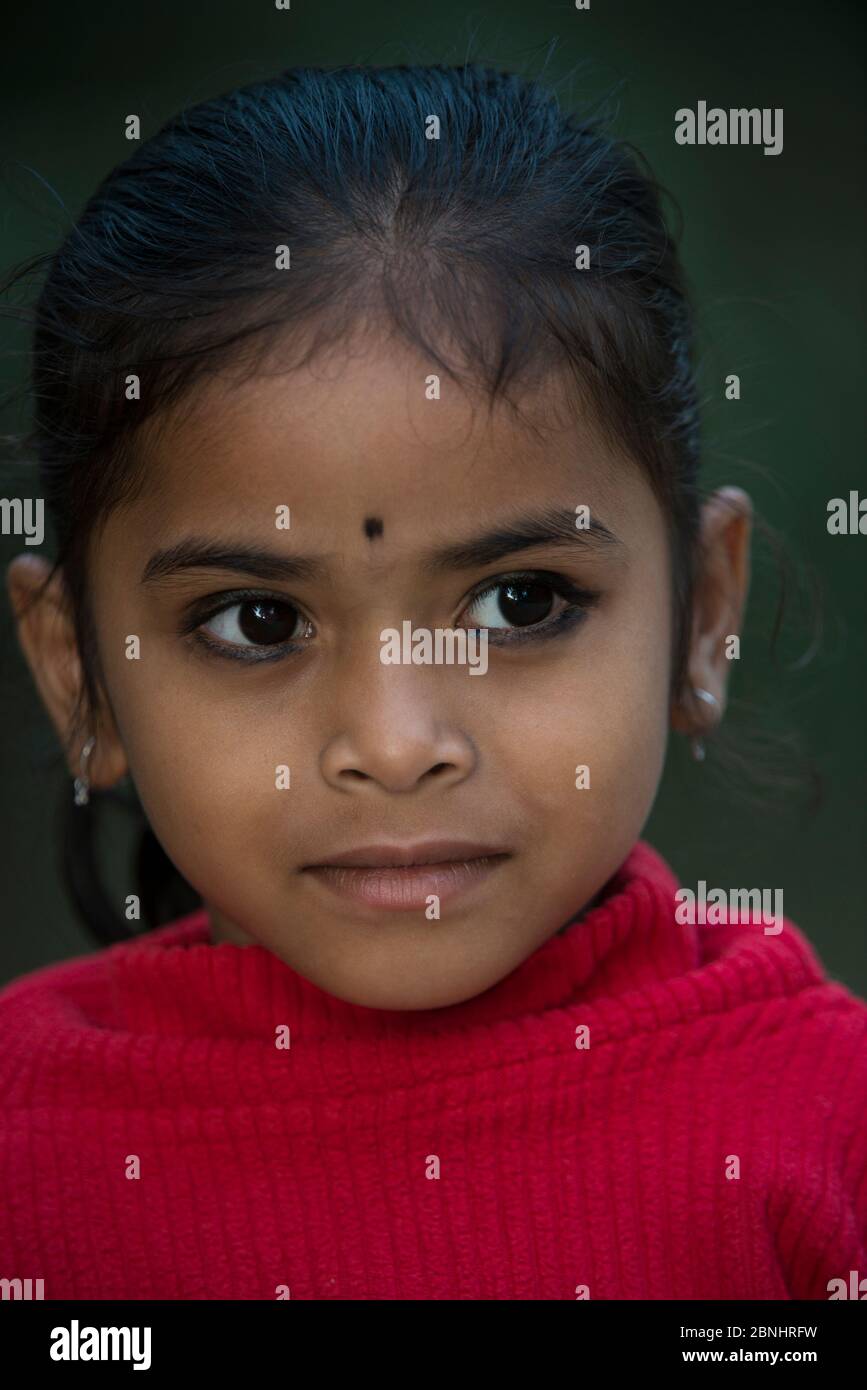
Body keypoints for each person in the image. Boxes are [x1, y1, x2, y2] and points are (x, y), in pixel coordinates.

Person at [1, 63, 865, 1300]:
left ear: (701, 617)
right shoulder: (23, 1165)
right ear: (80, 671)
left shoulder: (823, 1123)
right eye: (256, 621)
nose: (397, 744)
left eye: (522, 603)